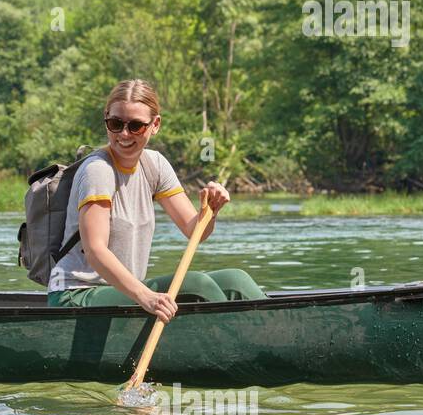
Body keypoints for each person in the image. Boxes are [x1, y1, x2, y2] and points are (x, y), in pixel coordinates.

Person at [48, 79, 264, 321]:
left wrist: (211, 211)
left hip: (124, 292)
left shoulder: (155, 165)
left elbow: (196, 232)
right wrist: (146, 296)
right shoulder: (98, 170)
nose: (124, 134)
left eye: (136, 126)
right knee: (196, 285)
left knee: (237, 280)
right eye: (115, 124)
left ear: (155, 124)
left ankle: (274, 334)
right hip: (78, 295)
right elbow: (95, 250)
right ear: (106, 119)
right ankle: (243, 343)